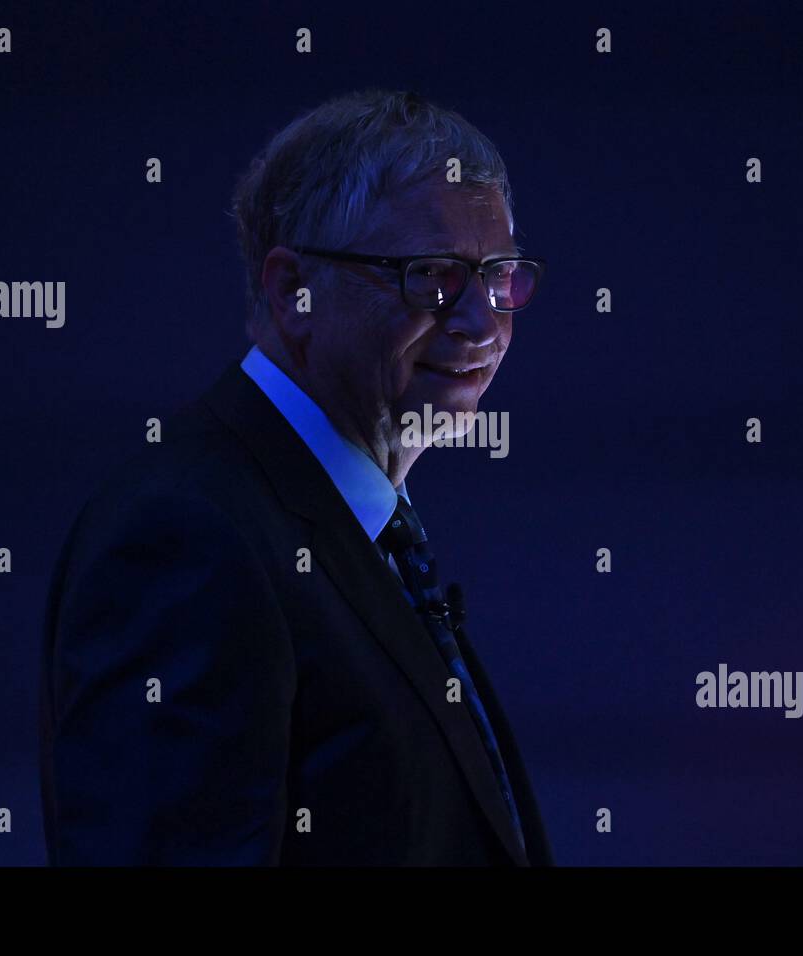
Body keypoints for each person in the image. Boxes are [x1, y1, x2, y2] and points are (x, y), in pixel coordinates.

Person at [39, 89, 552, 865]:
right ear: (292, 292)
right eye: (434, 277)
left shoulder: (353, 526)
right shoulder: (187, 534)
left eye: (500, 275)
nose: (483, 324)